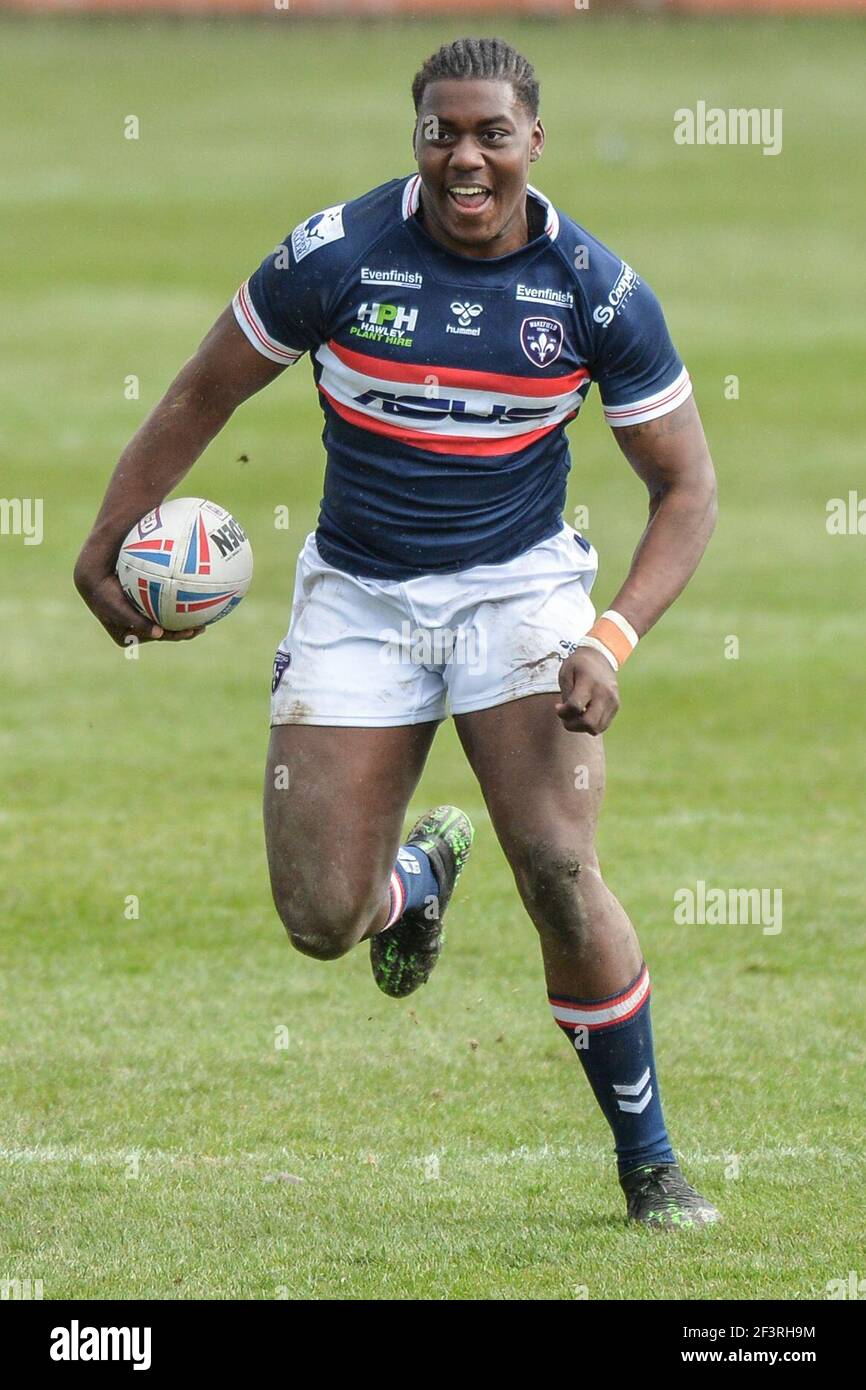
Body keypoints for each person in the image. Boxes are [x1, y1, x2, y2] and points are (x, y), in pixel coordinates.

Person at [75, 37, 720, 1229]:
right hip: (361, 594)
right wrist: (106, 533)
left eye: (488, 133)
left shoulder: (594, 289)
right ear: (415, 135)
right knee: (320, 917)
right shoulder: (335, 254)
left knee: (560, 867)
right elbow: (203, 389)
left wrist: (611, 635)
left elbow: (685, 485)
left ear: (534, 139)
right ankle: (413, 882)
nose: (463, 157)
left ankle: (649, 1166)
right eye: (441, 132)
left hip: (516, 593)